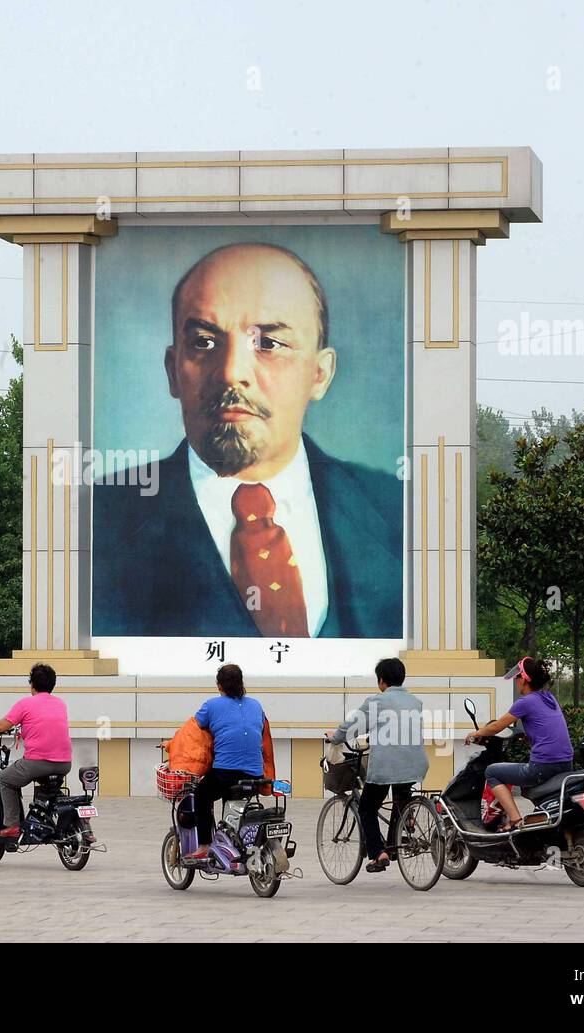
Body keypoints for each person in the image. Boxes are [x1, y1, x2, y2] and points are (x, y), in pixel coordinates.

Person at [93, 242, 400, 639]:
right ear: (173, 371)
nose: (231, 372)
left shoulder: (397, 514)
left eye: (269, 343)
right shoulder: (95, 524)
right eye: (204, 342)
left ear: (320, 374)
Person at [331, 657, 428, 872]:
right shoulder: (415, 702)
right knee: (400, 797)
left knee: (367, 808)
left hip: (388, 766)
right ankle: (402, 825)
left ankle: (378, 853)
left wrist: (335, 738)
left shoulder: (376, 702)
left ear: (381, 680)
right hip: (416, 764)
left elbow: (352, 727)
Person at [465, 656, 574, 832]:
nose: (516, 682)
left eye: (517, 678)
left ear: (524, 679)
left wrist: (475, 734)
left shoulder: (525, 702)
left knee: (492, 772)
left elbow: (497, 726)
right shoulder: (550, 698)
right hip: (565, 764)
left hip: (543, 766)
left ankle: (515, 820)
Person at [0, 663, 72, 838]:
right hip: (64, 764)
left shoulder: (26, 704)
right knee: (48, 785)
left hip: (37, 763)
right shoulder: (60, 704)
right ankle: (46, 817)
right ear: (52, 684)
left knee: (5, 779)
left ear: (32, 685)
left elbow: (1, 726)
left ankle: (12, 826)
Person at [186, 663, 266, 860]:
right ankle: (232, 840)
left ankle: (205, 845)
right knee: (231, 799)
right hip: (256, 773)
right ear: (241, 683)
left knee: (202, 794)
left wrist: (172, 744)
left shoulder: (211, 705)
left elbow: (192, 733)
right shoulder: (256, 705)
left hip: (225, 772)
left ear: (219, 685)